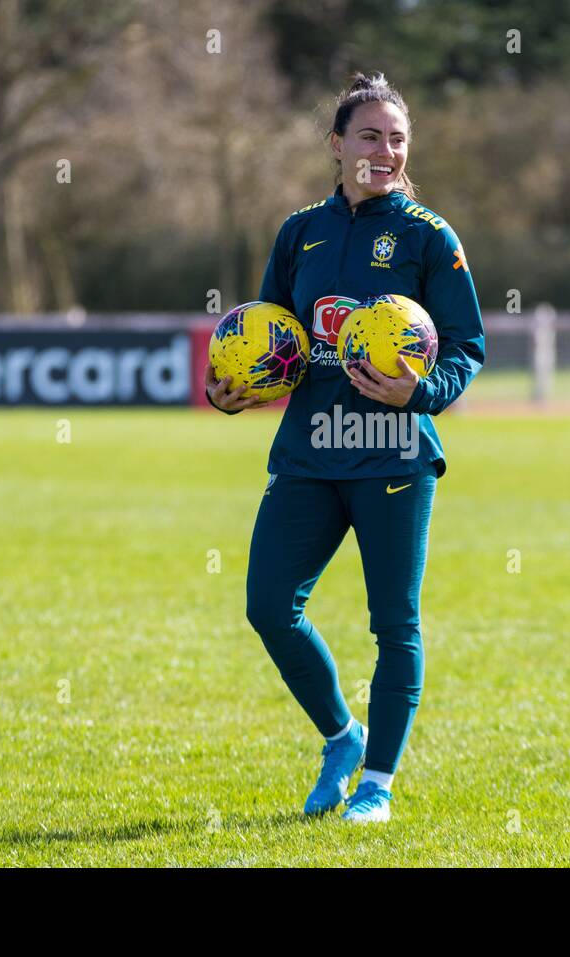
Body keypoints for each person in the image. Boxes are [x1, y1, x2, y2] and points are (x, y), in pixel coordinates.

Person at [204, 71, 484, 823]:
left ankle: (377, 784)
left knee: (395, 624)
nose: (385, 149)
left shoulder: (429, 235)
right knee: (269, 606)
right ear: (336, 144)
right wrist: (230, 391)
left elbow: (468, 345)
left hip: (394, 459)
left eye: (397, 138)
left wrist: (418, 393)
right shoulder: (300, 233)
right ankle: (341, 735)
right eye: (369, 135)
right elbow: (266, 342)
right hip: (308, 456)